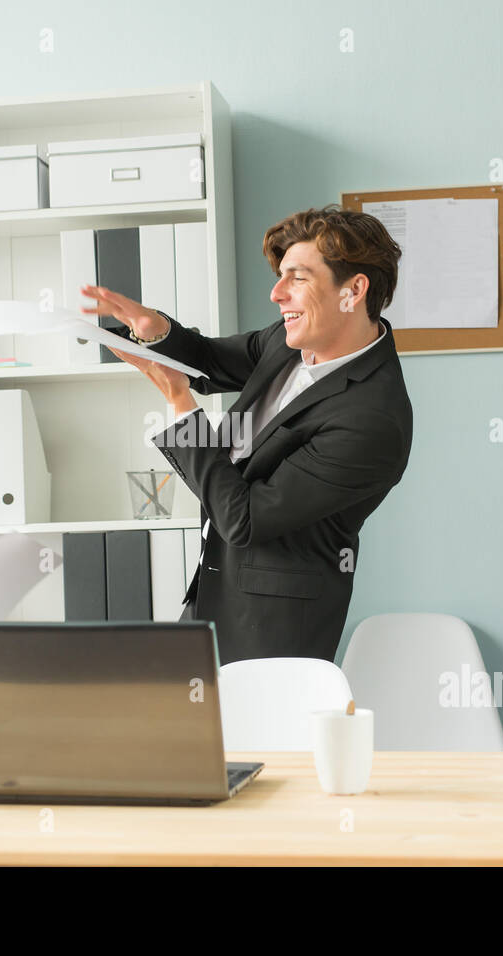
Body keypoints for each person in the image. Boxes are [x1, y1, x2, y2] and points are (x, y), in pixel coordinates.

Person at [82, 204, 413, 665]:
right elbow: (210, 362)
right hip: (211, 597)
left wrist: (180, 406)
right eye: (280, 276)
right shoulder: (290, 339)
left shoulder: (372, 420)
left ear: (354, 290)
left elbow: (245, 519)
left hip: (274, 632)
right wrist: (154, 330)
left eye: (297, 278)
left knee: (255, 741)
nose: (277, 293)